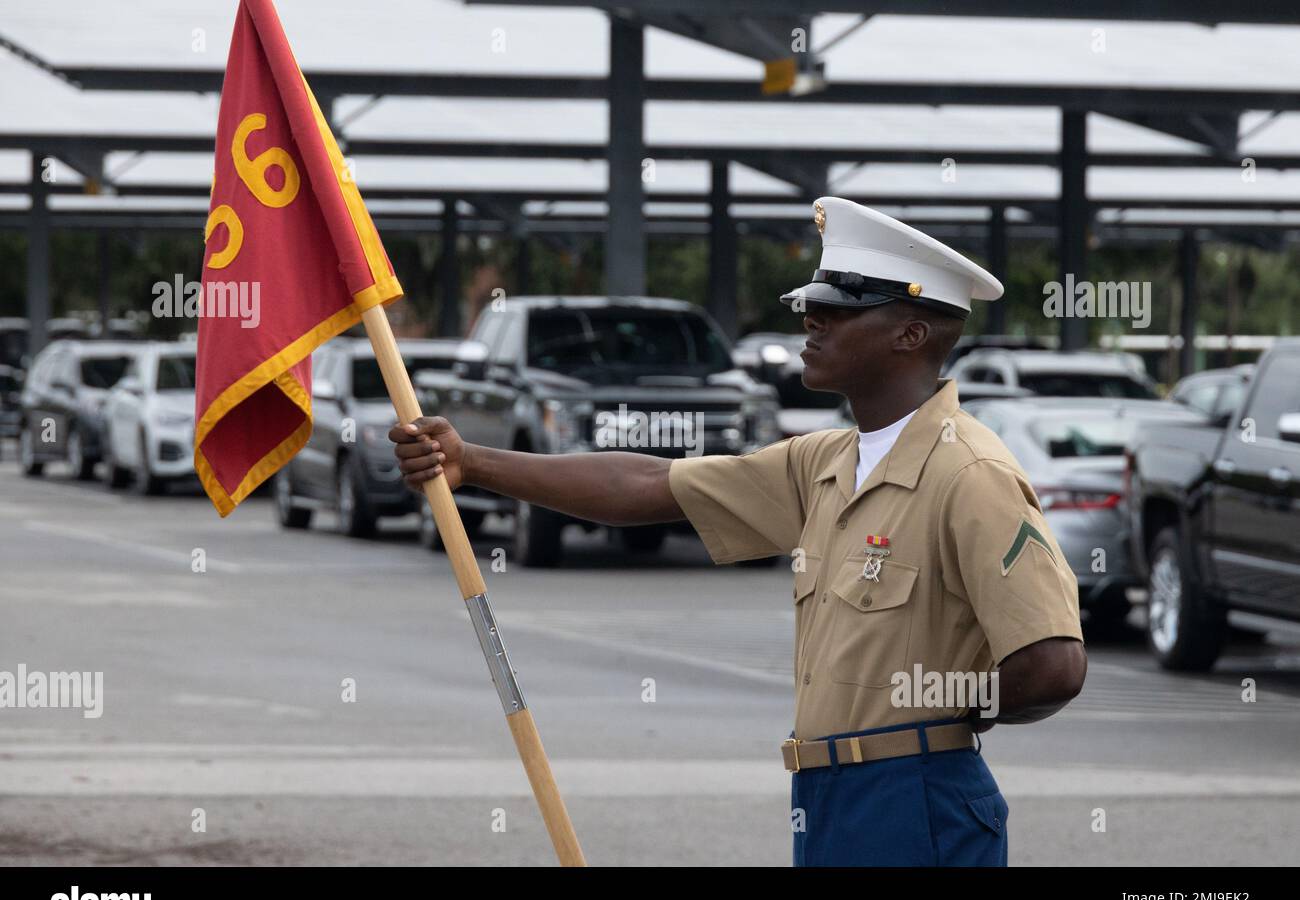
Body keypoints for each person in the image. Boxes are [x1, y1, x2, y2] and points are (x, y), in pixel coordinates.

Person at [389, 197, 1087, 866]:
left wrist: (934, 713)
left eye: (836, 311)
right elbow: (647, 486)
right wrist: (474, 462)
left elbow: (1052, 666)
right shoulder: (827, 461)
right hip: (828, 794)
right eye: (810, 308)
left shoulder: (969, 474)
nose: (810, 323)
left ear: (910, 335)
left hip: (912, 797)